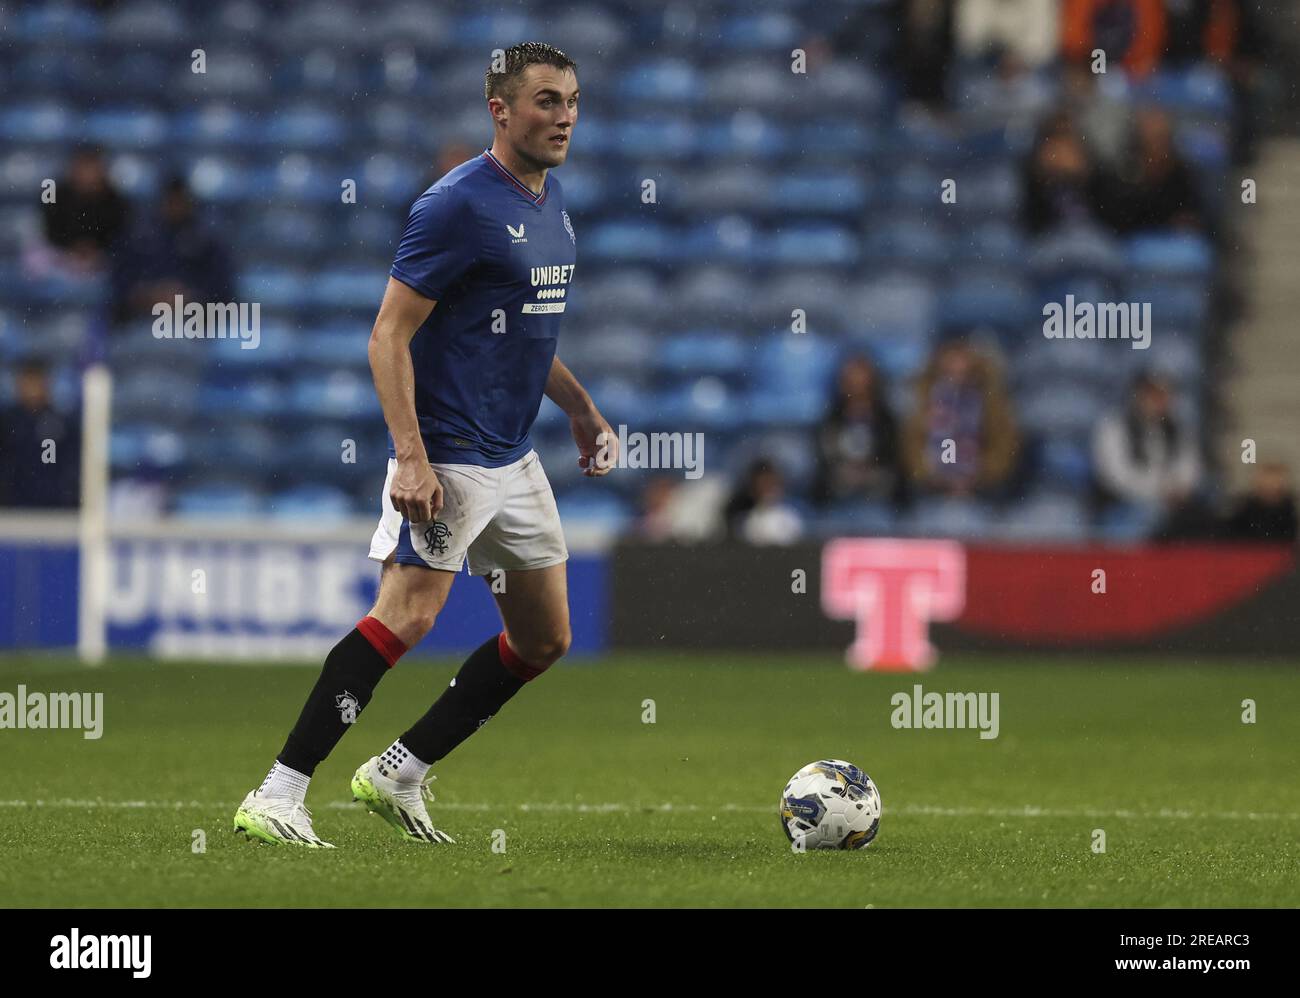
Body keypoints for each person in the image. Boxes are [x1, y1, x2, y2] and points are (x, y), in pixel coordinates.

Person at [233, 43, 615, 848]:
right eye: (546, 100)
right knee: (407, 615)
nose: (565, 115)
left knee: (545, 640)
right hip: (448, 453)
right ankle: (277, 792)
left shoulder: (552, 204)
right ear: (500, 111)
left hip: (514, 455)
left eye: (573, 100)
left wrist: (580, 410)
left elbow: (527, 334)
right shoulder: (456, 204)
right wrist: (410, 456)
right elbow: (387, 335)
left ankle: (398, 771)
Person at [902, 338, 1019, 499]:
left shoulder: (992, 402)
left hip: (982, 487)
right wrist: (931, 475)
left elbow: (1003, 445)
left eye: (963, 371)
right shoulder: (922, 401)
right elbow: (911, 447)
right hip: (931, 486)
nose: (956, 376)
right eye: (949, 372)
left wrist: (980, 475)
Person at [110, 174, 235, 323]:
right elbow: (120, 279)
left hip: (194, 322)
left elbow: (222, 287)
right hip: (142, 318)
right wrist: (149, 293)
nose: (175, 206)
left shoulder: (207, 238)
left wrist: (189, 295)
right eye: (171, 201)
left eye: (180, 201)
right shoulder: (139, 236)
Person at [1092, 372, 1202, 514]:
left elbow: (1189, 467)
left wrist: (1179, 488)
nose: (1157, 401)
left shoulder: (1179, 429)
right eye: (1152, 394)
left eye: (1163, 395)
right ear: (1138, 394)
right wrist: (1158, 489)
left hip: (1171, 505)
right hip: (1125, 505)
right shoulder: (1114, 426)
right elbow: (1116, 476)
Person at [812, 354, 902, 506]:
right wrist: (845, 470)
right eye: (851, 380)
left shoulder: (886, 418)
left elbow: (892, 453)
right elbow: (825, 451)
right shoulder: (832, 417)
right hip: (840, 478)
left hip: (877, 478)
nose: (857, 386)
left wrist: (868, 470)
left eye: (862, 380)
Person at [0, 360, 81, 508]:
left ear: (47, 384)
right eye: (28, 382)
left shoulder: (63, 423)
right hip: (11, 508)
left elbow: (71, 468)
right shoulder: (6, 422)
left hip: (53, 509)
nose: (32, 388)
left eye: (36, 381)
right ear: (19, 384)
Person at [40, 144, 129, 273]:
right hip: (62, 255)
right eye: (83, 166)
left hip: (102, 257)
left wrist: (95, 249)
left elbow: (119, 234)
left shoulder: (116, 198)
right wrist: (73, 248)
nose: (87, 173)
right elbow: (49, 230)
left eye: (92, 166)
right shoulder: (53, 193)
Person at [1222, 463, 1298, 543]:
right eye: (1267, 482)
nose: (1271, 486)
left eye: (1276, 483)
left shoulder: (1291, 513)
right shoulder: (1244, 511)